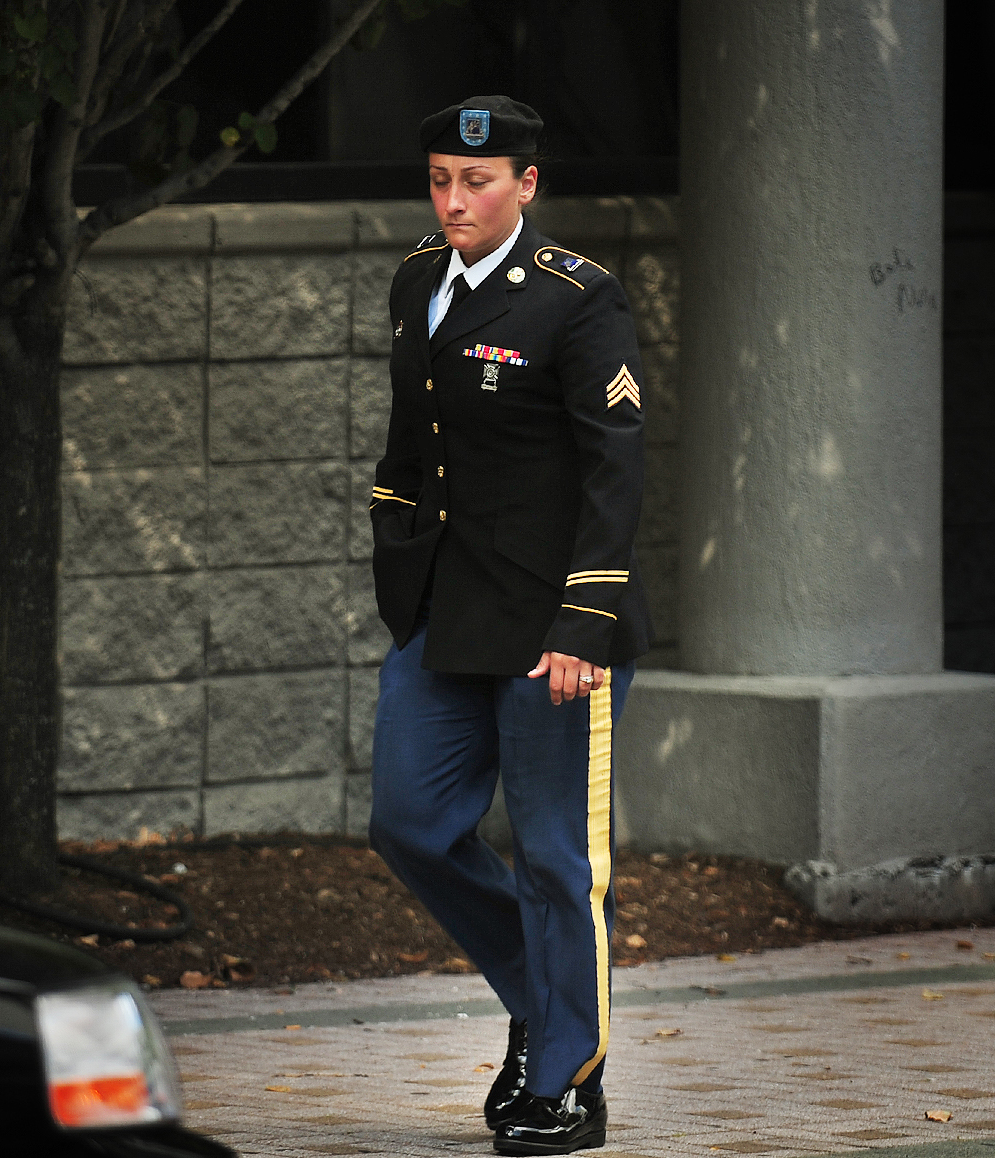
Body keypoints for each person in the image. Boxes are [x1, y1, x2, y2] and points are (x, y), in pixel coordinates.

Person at [367, 96, 651, 1156]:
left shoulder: (578, 300)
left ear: (525, 185)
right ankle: (545, 1003)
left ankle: (564, 1080)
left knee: (550, 859)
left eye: (476, 182)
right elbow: (409, 446)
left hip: (552, 632)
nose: (453, 201)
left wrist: (586, 621)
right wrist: (397, 574)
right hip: (443, 617)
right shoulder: (413, 282)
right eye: (439, 179)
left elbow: (615, 472)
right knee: (408, 821)